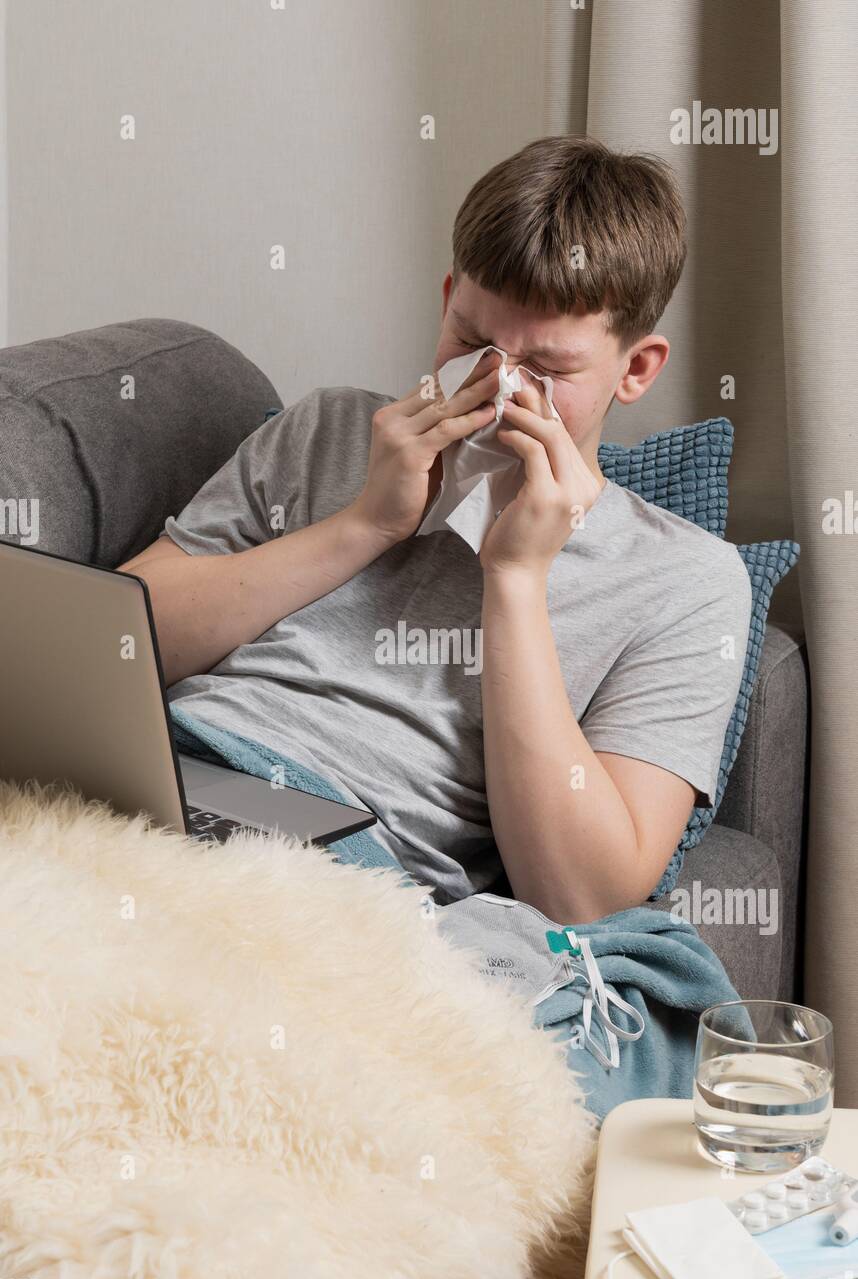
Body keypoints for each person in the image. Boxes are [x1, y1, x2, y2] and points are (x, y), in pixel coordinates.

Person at [120, 135, 751, 925]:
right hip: (161, 772)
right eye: (471, 342)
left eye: (547, 371)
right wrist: (363, 525)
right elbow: (113, 647)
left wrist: (516, 583)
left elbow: (583, 896)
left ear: (636, 369)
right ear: (448, 295)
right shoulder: (330, 429)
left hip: (334, 869)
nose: (494, 386)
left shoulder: (687, 580)